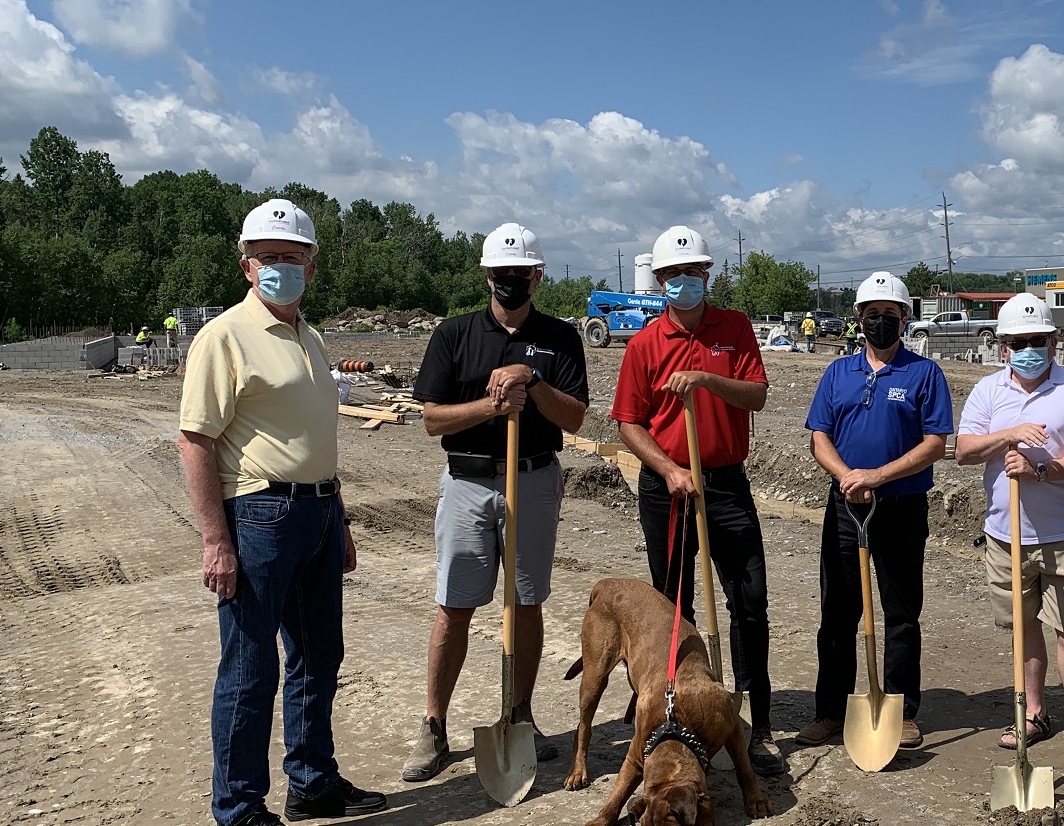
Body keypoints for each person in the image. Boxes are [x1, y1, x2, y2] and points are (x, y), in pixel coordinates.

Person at [177, 198, 383, 826]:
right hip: (260, 516)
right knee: (250, 667)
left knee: (319, 656)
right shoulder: (224, 338)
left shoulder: (309, 337)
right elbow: (195, 440)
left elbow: (314, 435)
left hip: (317, 512)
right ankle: (237, 812)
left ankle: (312, 782)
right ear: (246, 266)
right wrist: (215, 538)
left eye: (292, 258)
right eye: (269, 258)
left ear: (312, 269)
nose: (281, 268)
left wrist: (338, 516)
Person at [401, 223, 590, 783]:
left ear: (537, 276)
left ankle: (520, 714)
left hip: (532, 480)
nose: (511, 282)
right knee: (455, 605)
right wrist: (489, 406)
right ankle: (433, 725)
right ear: (487, 275)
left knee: (525, 602)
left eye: (521, 274)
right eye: (501, 274)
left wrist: (531, 382)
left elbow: (575, 418)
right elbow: (432, 419)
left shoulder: (560, 338)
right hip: (468, 483)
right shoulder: (454, 335)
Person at [611, 225, 782, 775]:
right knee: (672, 607)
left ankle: (756, 719)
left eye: (693, 272)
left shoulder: (734, 328)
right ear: (660, 280)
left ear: (706, 275)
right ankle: (673, 707)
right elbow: (628, 423)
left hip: (726, 481)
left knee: (748, 599)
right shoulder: (643, 344)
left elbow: (755, 394)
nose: (684, 281)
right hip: (669, 488)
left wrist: (707, 378)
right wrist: (667, 468)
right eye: (673, 275)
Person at [799, 271, 954, 751]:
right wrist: (848, 475)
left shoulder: (923, 374)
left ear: (905, 319)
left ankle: (903, 711)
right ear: (859, 319)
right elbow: (818, 436)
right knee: (838, 609)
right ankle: (831, 709)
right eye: (872, 316)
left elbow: (934, 444)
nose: (881, 323)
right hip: (846, 503)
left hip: (901, 506)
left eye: (890, 315)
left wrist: (877, 477)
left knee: (902, 611)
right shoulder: (837, 373)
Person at [956, 294, 1064, 767]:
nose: (1028, 349)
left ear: (1054, 342)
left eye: (1037, 340)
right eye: (1018, 342)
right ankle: (1034, 714)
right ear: (1003, 347)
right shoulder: (988, 391)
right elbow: (963, 450)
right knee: (1023, 629)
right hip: (1005, 535)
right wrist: (1010, 435)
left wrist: (1041, 470)